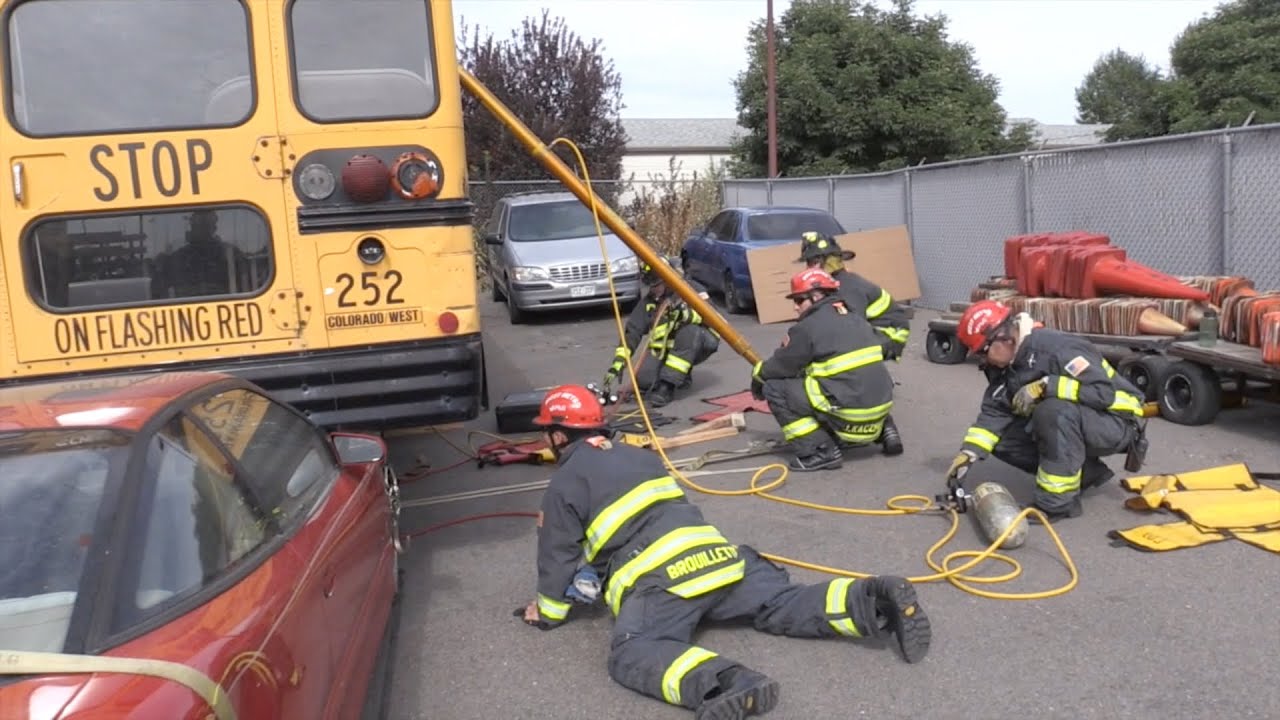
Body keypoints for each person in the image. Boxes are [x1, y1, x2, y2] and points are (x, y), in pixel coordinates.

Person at [518, 385, 932, 720]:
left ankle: (727, 683)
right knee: (779, 603)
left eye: (546, 434)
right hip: (719, 558)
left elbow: (556, 557)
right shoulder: (639, 456)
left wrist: (548, 613)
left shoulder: (564, 484)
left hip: (662, 582)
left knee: (634, 650)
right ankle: (872, 601)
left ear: (559, 435)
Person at [945, 300, 1149, 521]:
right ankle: (1084, 474)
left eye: (983, 352)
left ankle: (1057, 504)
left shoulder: (1057, 350)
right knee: (1001, 436)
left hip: (1116, 421)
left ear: (1004, 338)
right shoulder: (1008, 363)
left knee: (1052, 412)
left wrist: (1047, 386)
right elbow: (996, 411)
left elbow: (1103, 393)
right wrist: (969, 453)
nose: (983, 360)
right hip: (1080, 418)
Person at [750, 268, 902, 472]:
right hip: (880, 408)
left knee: (775, 388)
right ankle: (886, 430)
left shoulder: (807, 328)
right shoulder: (856, 318)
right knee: (856, 377)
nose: (795, 307)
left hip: (852, 415)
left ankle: (820, 451)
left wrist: (758, 377)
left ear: (817, 296)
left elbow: (781, 365)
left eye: (799, 300)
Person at [602, 257, 719, 408]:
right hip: (666, 350)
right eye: (650, 286)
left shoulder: (691, 289)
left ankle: (667, 387)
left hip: (702, 340)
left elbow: (712, 317)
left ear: (667, 279)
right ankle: (681, 375)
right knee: (644, 381)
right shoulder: (649, 302)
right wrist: (618, 363)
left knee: (689, 333)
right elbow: (633, 332)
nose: (653, 290)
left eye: (656, 285)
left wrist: (685, 314)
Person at [798, 231, 911, 360]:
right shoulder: (835, 283)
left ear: (822, 262)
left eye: (811, 262)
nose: (809, 268)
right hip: (874, 330)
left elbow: (851, 325)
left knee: (838, 352)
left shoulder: (846, 287)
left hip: (889, 335)